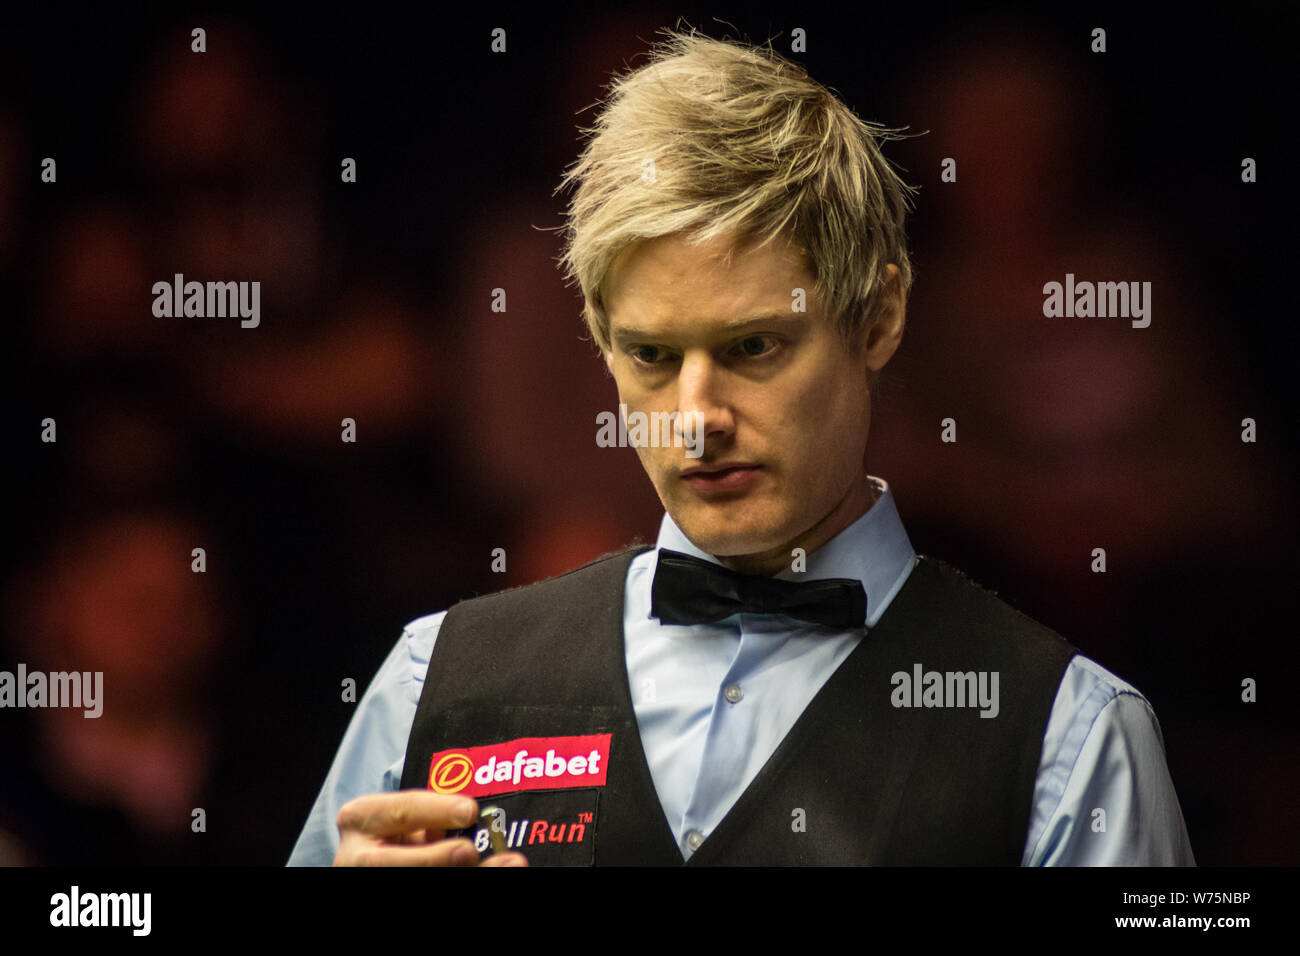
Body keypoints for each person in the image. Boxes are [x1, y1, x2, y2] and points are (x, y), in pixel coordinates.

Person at [287, 29, 1194, 867]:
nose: (696, 416)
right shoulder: (430, 684)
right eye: (651, 356)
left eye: (754, 347)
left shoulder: (1068, 739)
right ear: (602, 346)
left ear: (878, 318)